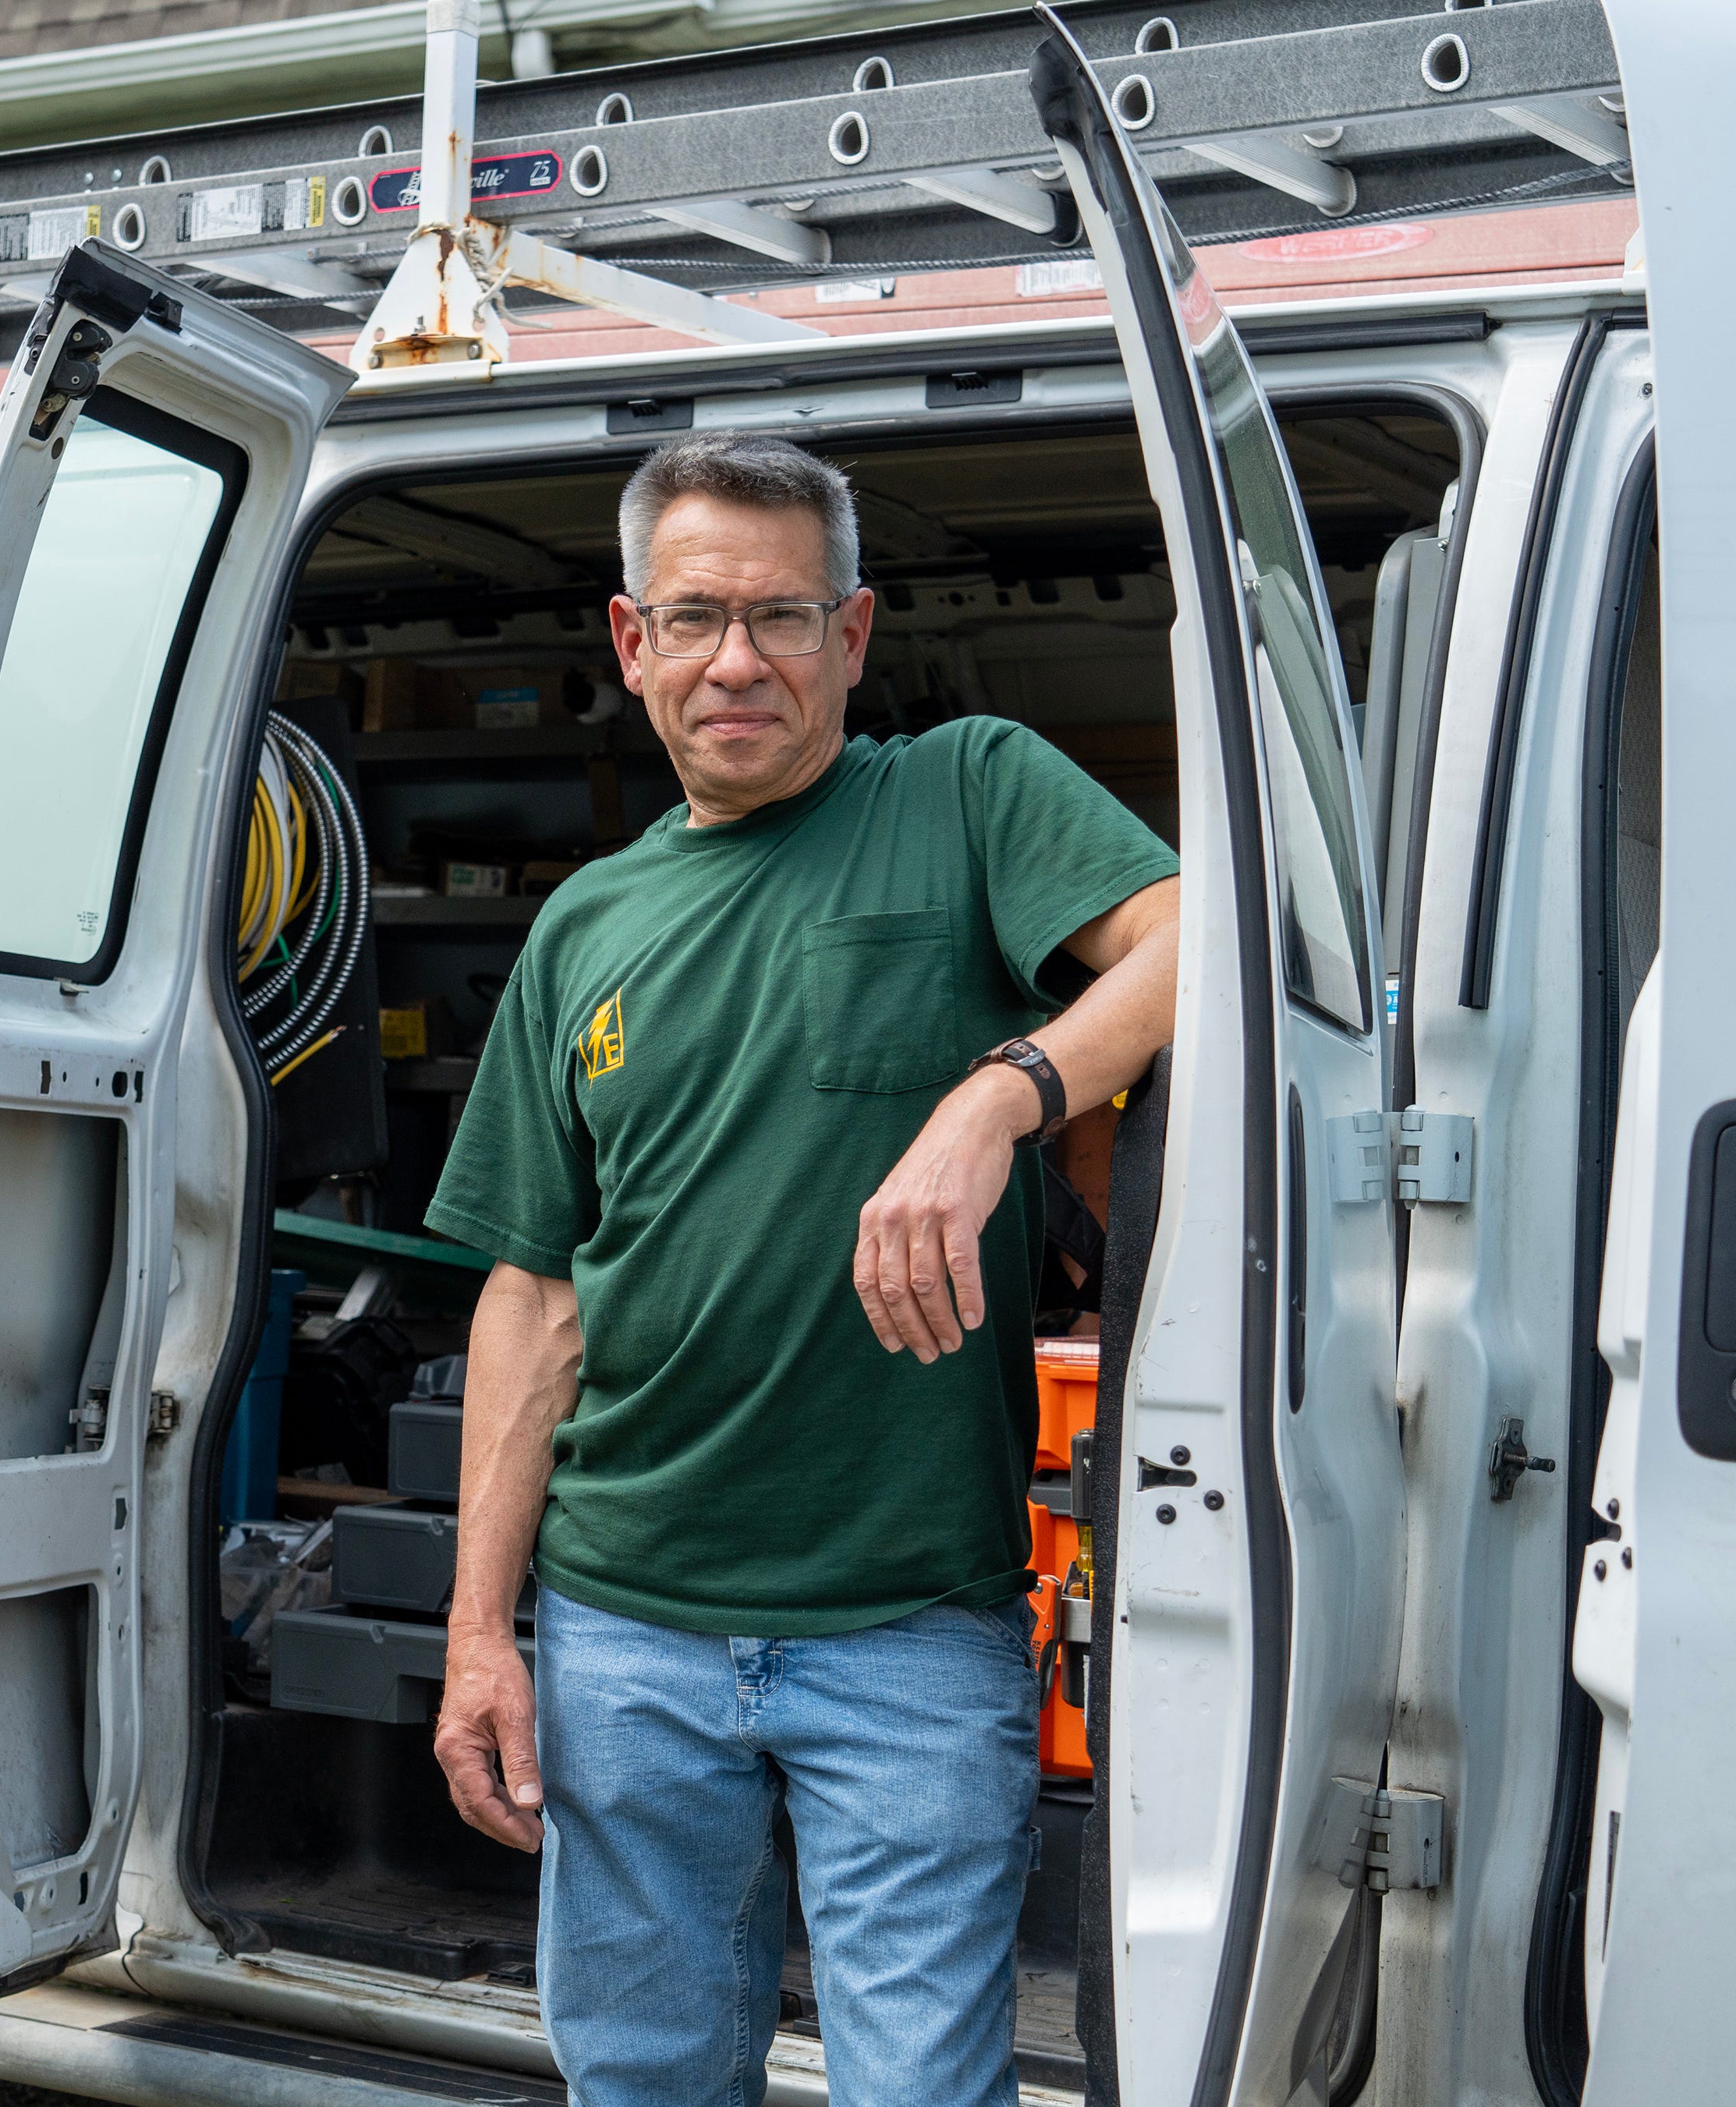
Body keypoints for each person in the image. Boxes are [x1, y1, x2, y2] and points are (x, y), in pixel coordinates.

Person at [423, 432, 1181, 2107]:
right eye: (697, 618)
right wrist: (482, 1631)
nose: (738, 660)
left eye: (781, 616)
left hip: (908, 1626)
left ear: (851, 633)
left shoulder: (965, 791)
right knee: (642, 2081)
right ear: (633, 642)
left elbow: (1202, 939)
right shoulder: (584, 926)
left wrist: (1002, 1095)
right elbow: (535, 1299)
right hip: (622, 1629)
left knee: (919, 2090)